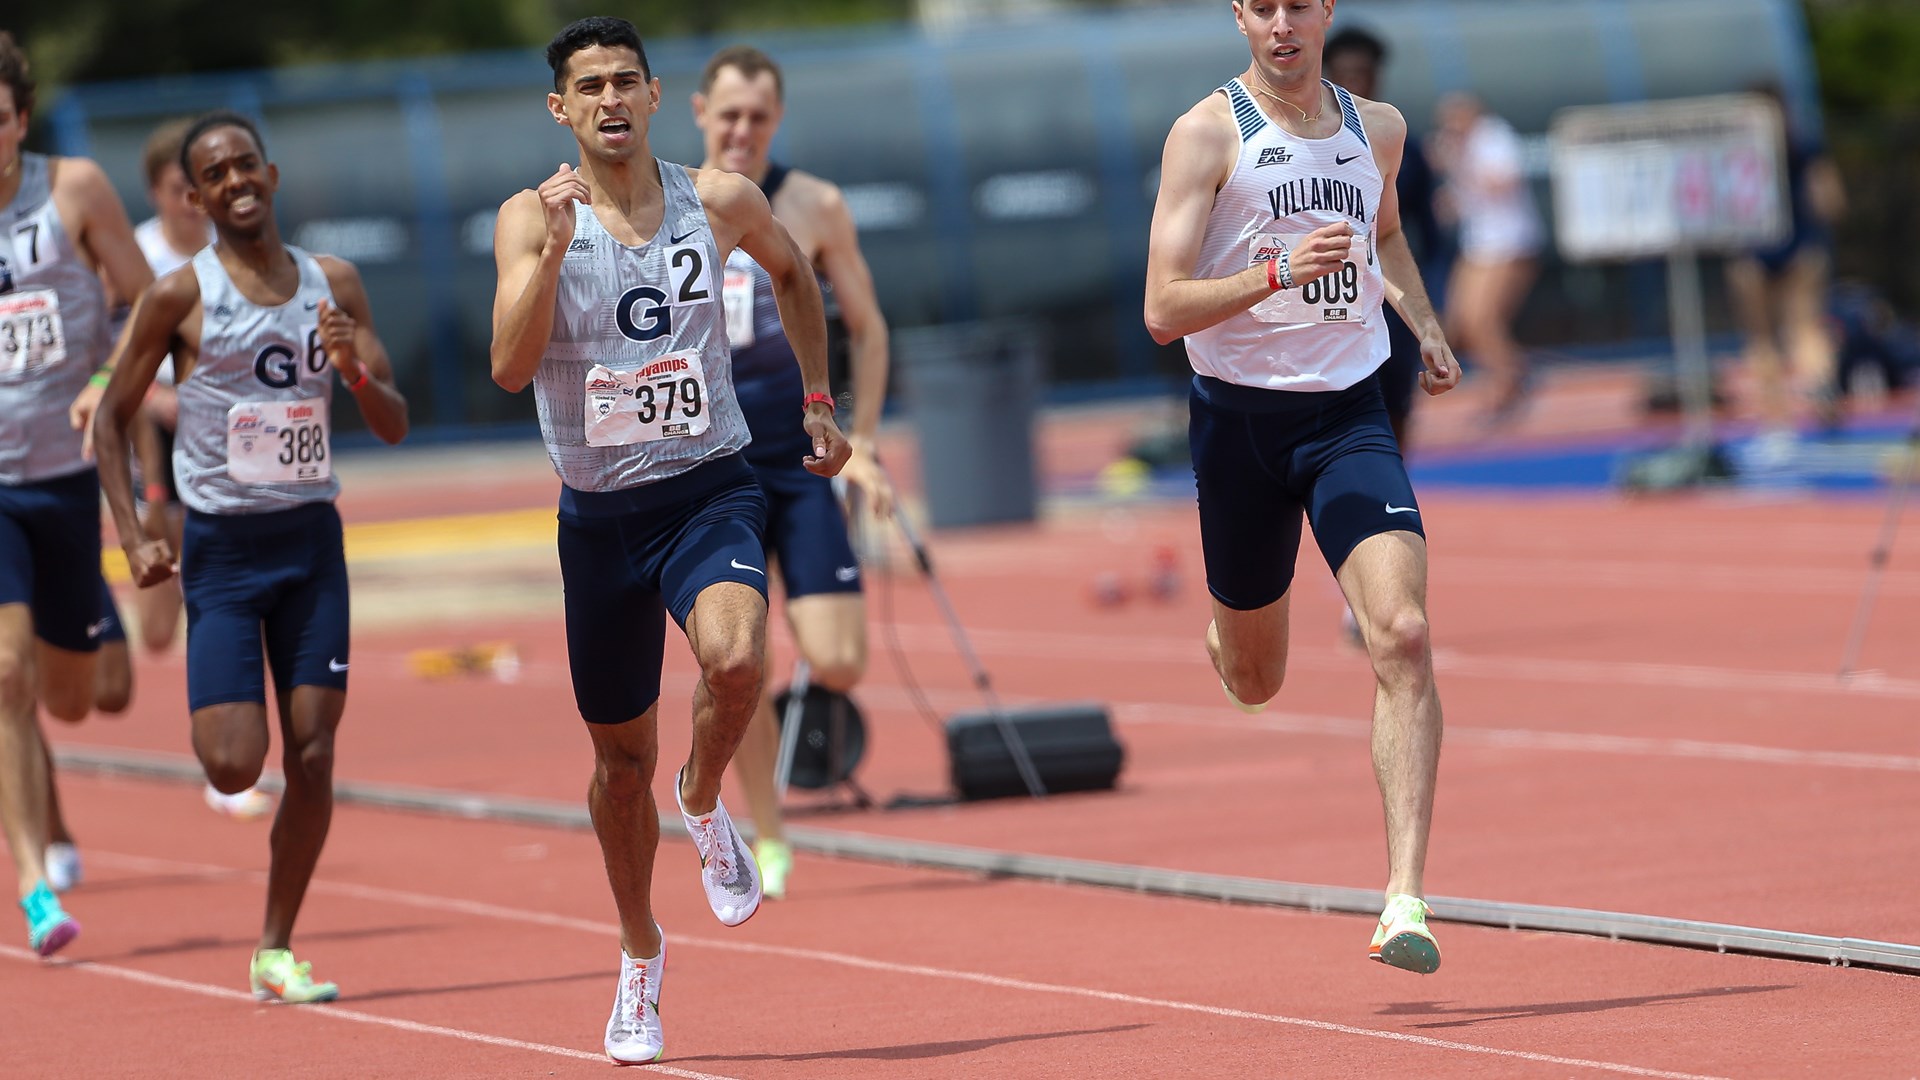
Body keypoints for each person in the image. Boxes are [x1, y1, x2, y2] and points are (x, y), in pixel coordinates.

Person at [490, 17, 849, 1063]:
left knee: (740, 657)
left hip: (709, 487)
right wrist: (552, 257)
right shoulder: (529, 217)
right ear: (560, 110)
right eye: (587, 87)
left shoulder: (722, 200)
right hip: (599, 520)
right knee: (616, 766)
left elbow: (794, 276)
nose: (609, 100)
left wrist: (818, 398)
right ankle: (639, 953)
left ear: (655, 96)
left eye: (624, 82)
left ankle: (703, 796)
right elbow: (512, 367)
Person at [1142, 0, 1459, 974]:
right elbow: (1161, 307)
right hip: (1239, 426)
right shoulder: (1208, 133)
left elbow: (1389, 235)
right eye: (1261, 5)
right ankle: (1229, 629)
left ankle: (1404, 898)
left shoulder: (1382, 128)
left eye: (1298, 4)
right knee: (1256, 678)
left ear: (1324, 10)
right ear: (1240, 15)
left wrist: (1424, 322)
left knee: (1400, 631)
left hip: (1348, 417)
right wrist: (1274, 271)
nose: (1281, 23)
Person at [94, 110, 410, 1002]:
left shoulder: (333, 282)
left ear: (270, 176)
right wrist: (133, 532)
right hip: (225, 554)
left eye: (246, 166)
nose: (234, 183)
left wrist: (352, 370)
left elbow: (393, 423)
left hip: (310, 543)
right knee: (235, 762)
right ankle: (229, 733)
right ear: (193, 198)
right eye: (214, 175)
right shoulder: (178, 296)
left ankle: (276, 944)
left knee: (312, 754)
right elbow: (112, 418)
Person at [691, 43, 894, 901]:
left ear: (777, 120)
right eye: (728, 114)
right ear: (699, 110)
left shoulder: (814, 204)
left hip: (802, 458)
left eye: (758, 116)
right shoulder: (674, 204)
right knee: (745, 661)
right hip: (715, 461)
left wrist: (868, 441)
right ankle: (768, 833)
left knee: (839, 658)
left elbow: (871, 329)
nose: (742, 130)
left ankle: (785, 683)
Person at [0, 31, 154, 957]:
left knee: (77, 697)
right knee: (6, 676)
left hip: (66, 478)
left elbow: (142, 302)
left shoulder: (73, 191)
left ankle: (81, 619)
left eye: (0, 122)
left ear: (21, 118)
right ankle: (32, 884)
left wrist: (105, 382)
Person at [128, 118, 273, 820]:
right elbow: (115, 363)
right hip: (151, 448)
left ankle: (225, 766)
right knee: (155, 628)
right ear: (160, 192)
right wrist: (158, 400)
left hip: (229, 451)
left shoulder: (236, 246)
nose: (191, 200)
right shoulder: (137, 255)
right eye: (178, 188)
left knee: (219, 600)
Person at [1726, 83, 1845, 466]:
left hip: (1754, 244)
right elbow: (1830, 201)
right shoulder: (1803, 144)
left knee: (1761, 339)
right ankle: (1819, 387)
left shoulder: (1737, 148)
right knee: (1804, 330)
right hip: (1800, 240)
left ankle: (1777, 427)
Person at [1430, 91, 1540, 422]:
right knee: (1460, 322)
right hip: (1480, 245)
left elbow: (1502, 181)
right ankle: (1510, 373)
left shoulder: (1493, 136)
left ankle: (1509, 383)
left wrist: (1461, 164)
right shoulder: (1462, 148)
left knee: (1483, 320)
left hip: (1509, 242)